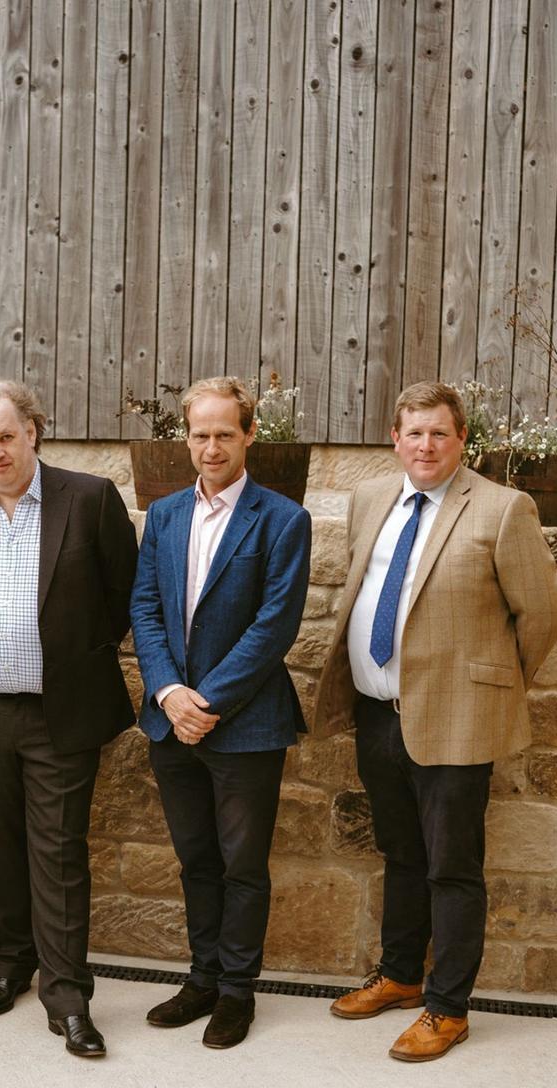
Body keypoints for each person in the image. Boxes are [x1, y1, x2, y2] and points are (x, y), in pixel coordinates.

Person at [314, 381, 557, 1062]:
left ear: (462, 440)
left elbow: (542, 616)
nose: (426, 445)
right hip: (378, 713)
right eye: (414, 432)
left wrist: (486, 685)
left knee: (453, 866)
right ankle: (398, 974)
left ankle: (447, 1007)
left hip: (458, 720)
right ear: (395, 438)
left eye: (440, 433)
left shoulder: (503, 508)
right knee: (400, 853)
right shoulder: (370, 499)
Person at [0, 378, 138, 1058]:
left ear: (33, 431)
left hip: (60, 712)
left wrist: (70, 658)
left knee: (57, 854)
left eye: (5, 437)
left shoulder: (88, 499)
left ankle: (67, 997)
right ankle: (12, 961)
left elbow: (122, 597)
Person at [129, 377, 311, 1050]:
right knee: (195, 859)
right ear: (186, 437)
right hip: (170, 719)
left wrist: (206, 702)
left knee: (242, 864)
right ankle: (201, 977)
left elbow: (274, 625)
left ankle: (238, 990)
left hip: (245, 722)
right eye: (200, 434)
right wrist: (169, 691)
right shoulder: (165, 514)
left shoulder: (283, 519)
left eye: (224, 433)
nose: (211, 446)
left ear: (250, 434)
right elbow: (145, 608)